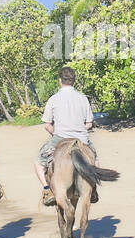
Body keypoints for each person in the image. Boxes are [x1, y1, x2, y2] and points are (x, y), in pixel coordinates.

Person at [35, 65, 97, 206]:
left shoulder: (53, 99)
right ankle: (93, 189)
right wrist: (79, 129)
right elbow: (89, 124)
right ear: (74, 81)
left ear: (60, 81)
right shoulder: (83, 98)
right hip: (81, 139)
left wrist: (55, 132)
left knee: (39, 163)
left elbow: (46, 124)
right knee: (94, 158)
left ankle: (47, 189)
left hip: (60, 137)